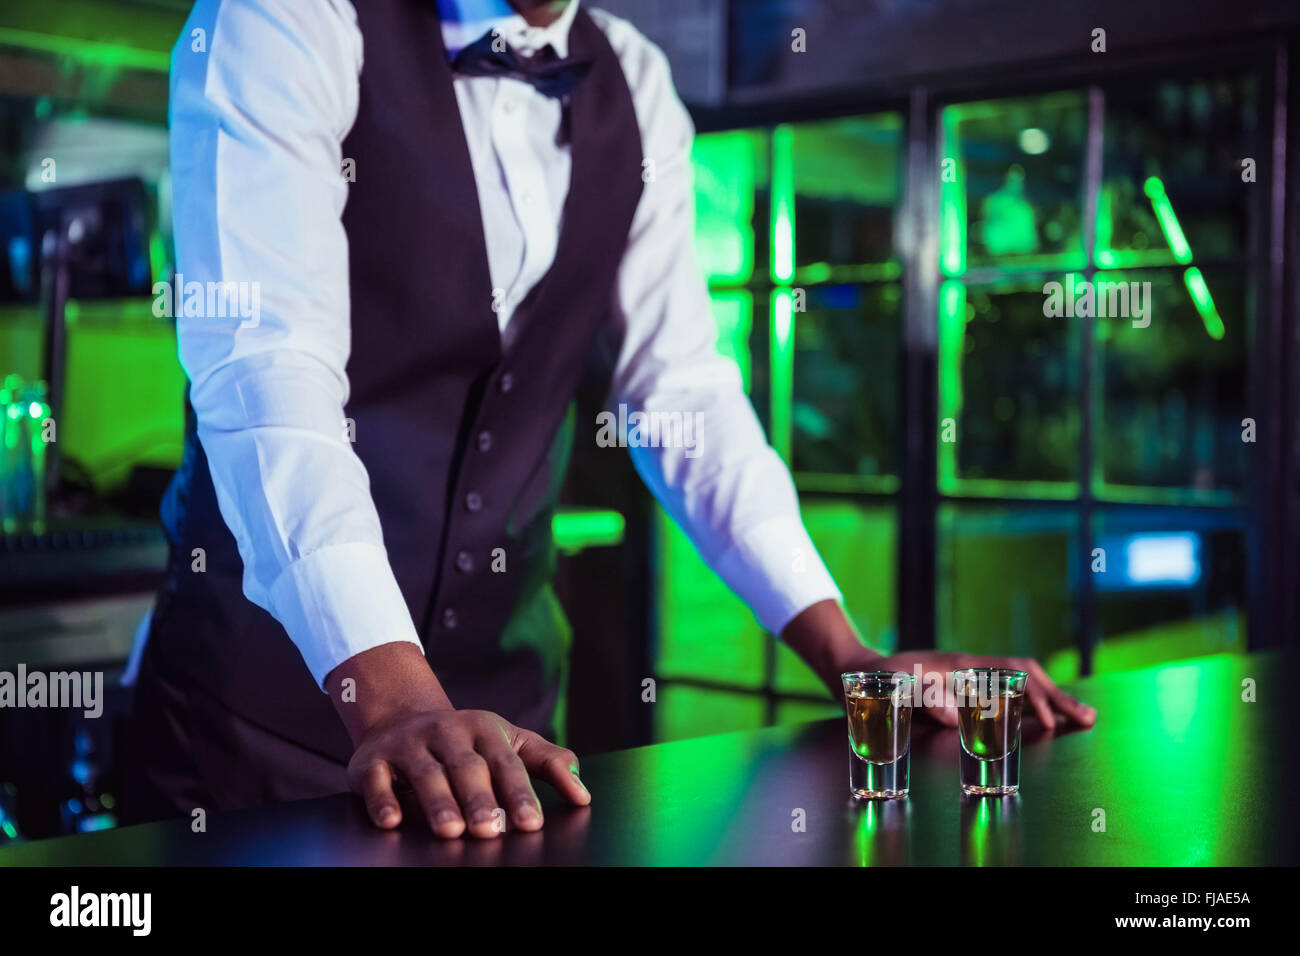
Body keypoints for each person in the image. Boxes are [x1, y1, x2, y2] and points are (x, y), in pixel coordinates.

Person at [126, 0, 1096, 838]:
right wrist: (394, 696)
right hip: (258, 732)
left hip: (508, 731)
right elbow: (266, 365)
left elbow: (682, 393)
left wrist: (851, 659)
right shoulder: (283, 21)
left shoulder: (635, 80)